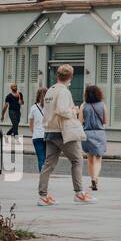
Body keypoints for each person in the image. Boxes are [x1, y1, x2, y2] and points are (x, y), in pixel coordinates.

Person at [37, 65, 93, 205]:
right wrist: (73, 111)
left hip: (49, 130)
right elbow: (62, 110)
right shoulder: (64, 91)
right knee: (77, 160)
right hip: (62, 132)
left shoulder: (50, 90)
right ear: (71, 77)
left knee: (48, 164)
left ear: (57, 75)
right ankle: (79, 193)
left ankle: (43, 196)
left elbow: (48, 110)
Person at [81, 84, 109, 191]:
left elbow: (80, 121)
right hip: (99, 133)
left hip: (87, 134)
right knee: (98, 159)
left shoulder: (83, 105)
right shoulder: (102, 105)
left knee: (90, 159)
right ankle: (95, 179)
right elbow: (105, 121)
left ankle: (92, 179)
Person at [27, 88, 48, 172]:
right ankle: (46, 177)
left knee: (41, 158)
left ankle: (42, 176)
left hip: (37, 136)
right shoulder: (50, 107)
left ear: (38, 95)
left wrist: (34, 132)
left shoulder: (33, 107)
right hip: (47, 135)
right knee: (47, 159)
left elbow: (30, 124)